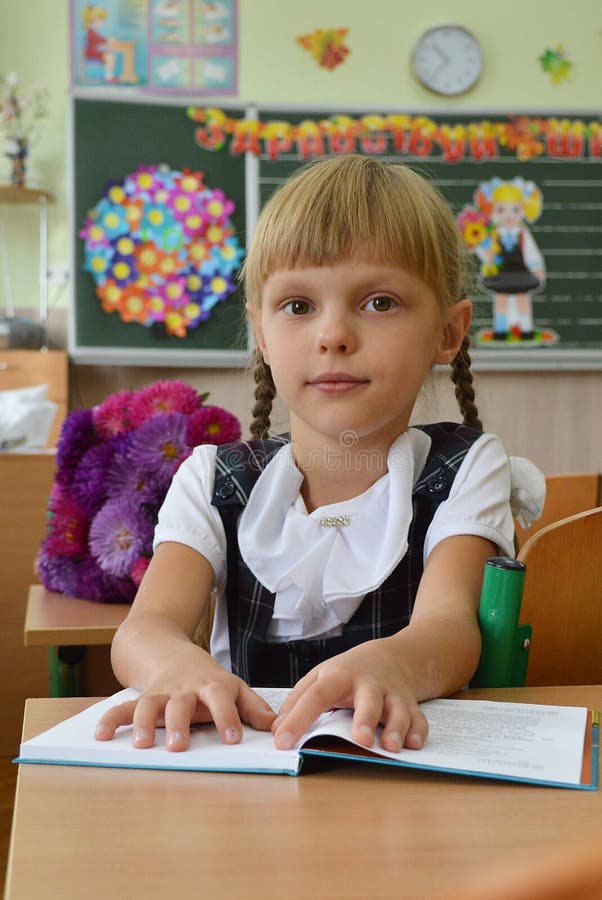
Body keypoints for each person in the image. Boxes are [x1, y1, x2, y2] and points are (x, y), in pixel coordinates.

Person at [95, 154, 530, 756]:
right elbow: (146, 628)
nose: (333, 335)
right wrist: (173, 666)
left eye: (378, 302)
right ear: (263, 335)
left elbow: (449, 626)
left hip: (399, 780)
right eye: (298, 306)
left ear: (448, 333)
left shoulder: (466, 468)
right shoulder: (211, 479)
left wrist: (396, 664)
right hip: (239, 781)